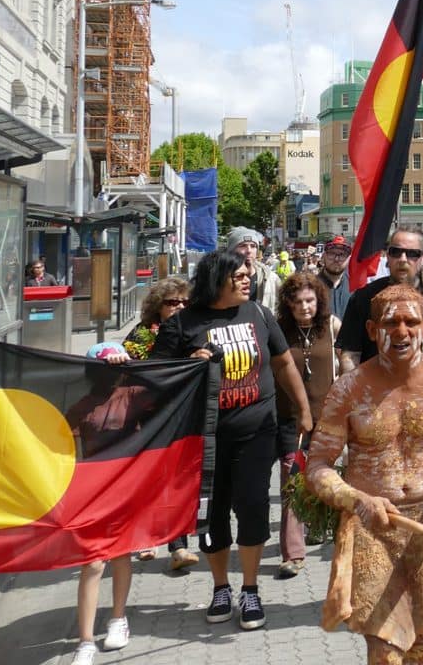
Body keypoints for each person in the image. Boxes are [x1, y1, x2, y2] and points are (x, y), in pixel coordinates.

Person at [306, 284, 423, 664]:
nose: (401, 332)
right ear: (371, 330)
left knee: (421, 644)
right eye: (391, 323)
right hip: (372, 530)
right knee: (384, 650)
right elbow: (316, 467)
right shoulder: (349, 388)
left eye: (411, 322)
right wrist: (359, 501)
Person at [150, 249, 313, 631]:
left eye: (247, 273)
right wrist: (191, 360)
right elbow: (156, 376)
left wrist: (304, 408)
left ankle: (251, 589)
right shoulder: (184, 324)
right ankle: (221, 587)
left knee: (254, 507)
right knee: (213, 513)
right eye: (237, 274)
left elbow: (283, 362)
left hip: (257, 432)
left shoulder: (258, 314)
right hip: (204, 439)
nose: (246, 279)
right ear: (216, 279)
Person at [67, 341, 138, 665]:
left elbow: (166, 388)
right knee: (93, 562)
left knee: (121, 553)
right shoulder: (84, 406)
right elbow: (57, 439)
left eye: (114, 368)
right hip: (94, 491)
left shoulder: (133, 395)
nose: (109, 375)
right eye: (103, 368)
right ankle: (84, 641)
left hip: (125, 487)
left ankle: (118, 619)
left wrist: (134, 363)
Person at [127, 276, 202, 569]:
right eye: (172, 302)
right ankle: (146, 537)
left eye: (185, 302)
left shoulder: (193, 333)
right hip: (148, 417)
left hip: (183, 416)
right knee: (151, 480)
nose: (180, 307)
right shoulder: (142, 334)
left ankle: (178, 546)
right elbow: (127, 368)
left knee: (178, 480)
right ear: (158, 306)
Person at [274, 271, 340, 579]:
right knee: (293, 480)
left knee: (325, 479)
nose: (304, 307)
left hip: (328, 418)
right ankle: (293, 553)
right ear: (288, 303)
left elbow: (347, 363)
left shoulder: (331, 325)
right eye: (298, 301)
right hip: (291, 420)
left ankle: (322, 528)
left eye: (310, 300)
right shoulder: (277, 332)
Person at [337, 227, 423, 370]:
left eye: (412, 254)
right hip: (380, 388)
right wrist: (353, 389)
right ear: (388, 256)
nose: (402, 259)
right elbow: (350, 355)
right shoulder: (364, 297)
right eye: (396, 252)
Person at [226, 227, 279, 314]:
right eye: (243, 246)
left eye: (253, 246)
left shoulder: (270, 278)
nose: (249, 251)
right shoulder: (221, 279)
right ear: (231, 250)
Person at [317, 235, 354, 325]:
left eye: (342, 255)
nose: (336, 259)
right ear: (323, 256)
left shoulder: (355, 288)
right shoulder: (311, 286)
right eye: (331, 253)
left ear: (349, 258)